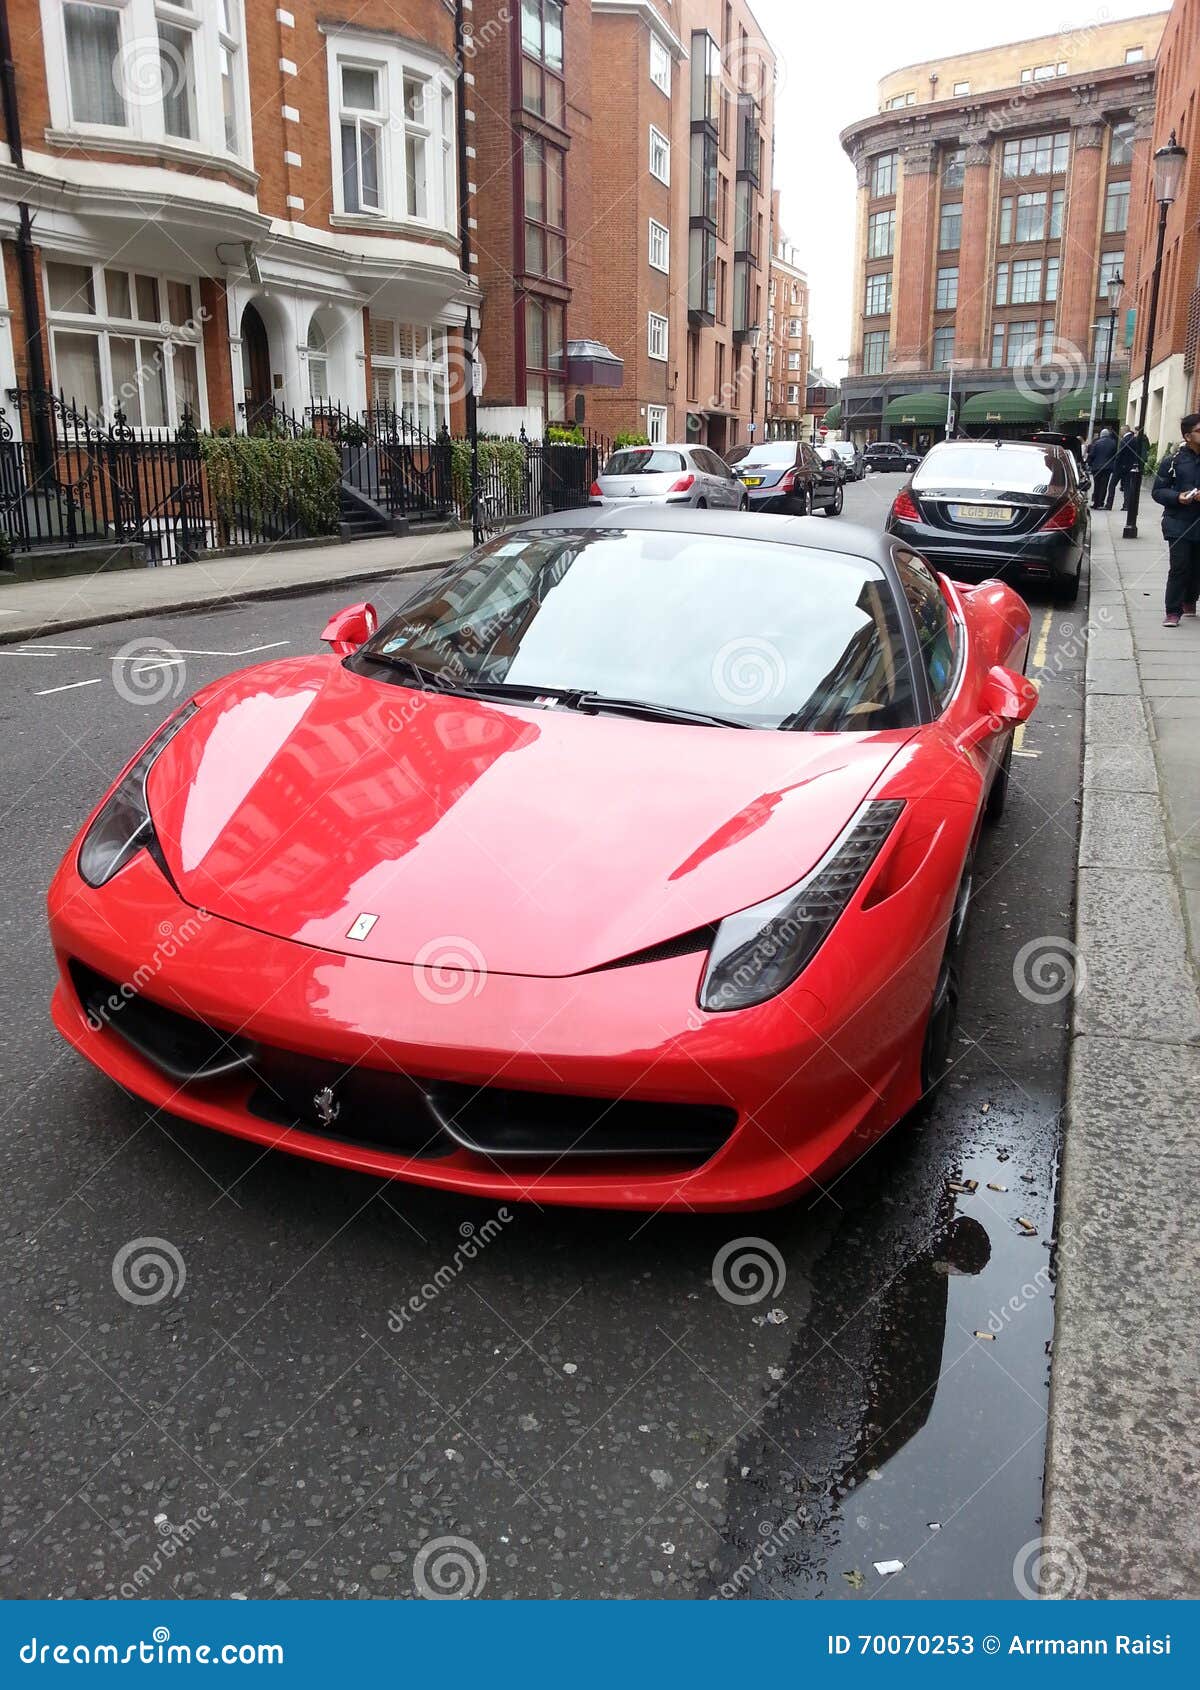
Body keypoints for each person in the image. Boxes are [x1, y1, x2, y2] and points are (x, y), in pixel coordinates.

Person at [1151, 413, 1200, 627]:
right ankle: (1173, 611)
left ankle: (1190, 599)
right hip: (1178, 521)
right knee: (1179, 565)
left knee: (1197, 566)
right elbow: (1158, 491)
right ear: (1188, 436)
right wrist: (1178, 497)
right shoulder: (1173, 461)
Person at [1085, 426, 1118, 509]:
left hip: (1097, 467)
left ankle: (1096, 503)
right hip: (1108, 468)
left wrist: (1089, 463)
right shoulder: (1113, 443)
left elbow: (1092, 454)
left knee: (1097, 485)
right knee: (1104, 485)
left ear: (1101, 435)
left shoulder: (1096, 443)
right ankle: (1101, 502)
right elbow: (1114, 455)